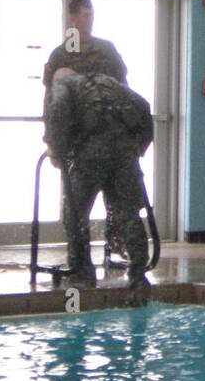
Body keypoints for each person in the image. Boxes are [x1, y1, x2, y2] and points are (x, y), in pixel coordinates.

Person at [43, 67, 154, 299]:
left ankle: (82, 271)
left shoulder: (63, 84)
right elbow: (144, 106)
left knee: (75, 213)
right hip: (125, 156)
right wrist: (138, 149)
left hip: (91, 156)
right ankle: (138, 276)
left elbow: (58, 111)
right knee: (128, 214)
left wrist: (56, 149)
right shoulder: (110, 83)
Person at [43, 0, 129, 265]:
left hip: (109, 137)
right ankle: (79, 258)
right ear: (73, 18)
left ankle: (115, 246)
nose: (90, 20)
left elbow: (123, 90)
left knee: (116, 198)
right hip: (76, 142)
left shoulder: (106, 51)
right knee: (75, 204)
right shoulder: (61, 56)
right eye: (85, 15)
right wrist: (52, 141)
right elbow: (51, 102)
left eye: (92, 14)